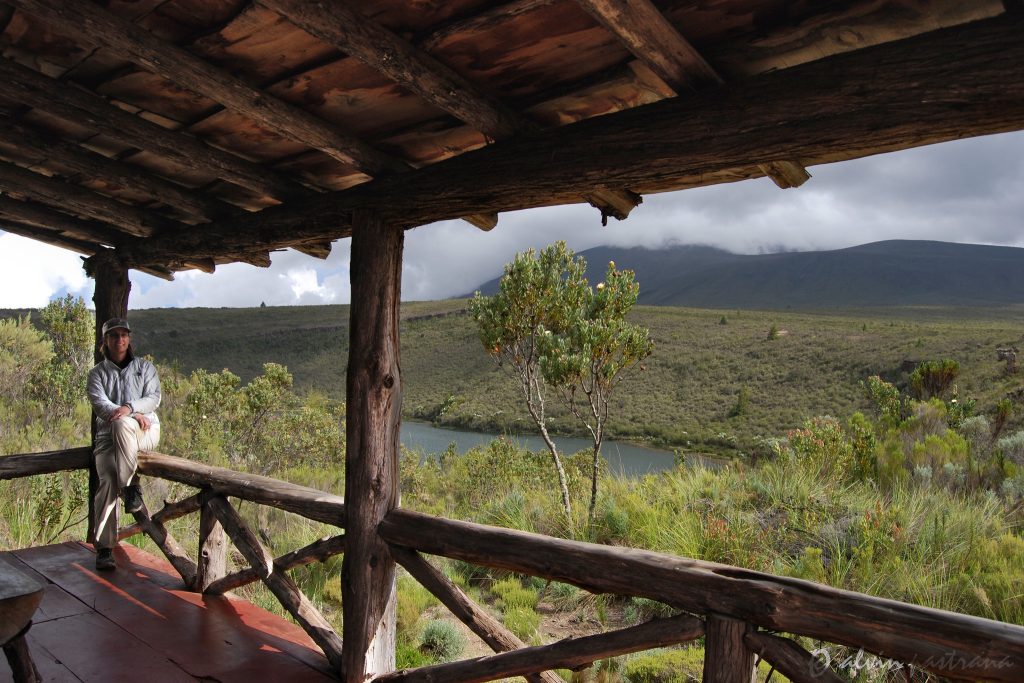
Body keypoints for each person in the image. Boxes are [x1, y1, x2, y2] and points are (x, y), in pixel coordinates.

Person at [87, 317, 161, 571]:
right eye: (114, 336)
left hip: (144, 431)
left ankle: (130, 489)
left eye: (124, 335)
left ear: (129, 339)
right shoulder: (97, 374)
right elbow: (100, 405)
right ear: (105, 341)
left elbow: (153, 398)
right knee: (107, 480)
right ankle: (105, 549)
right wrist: (128, 413)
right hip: (108, 439)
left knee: (122, 424)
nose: (120, 340)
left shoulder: (145, 368)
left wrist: (130, 409)